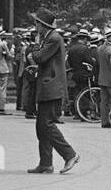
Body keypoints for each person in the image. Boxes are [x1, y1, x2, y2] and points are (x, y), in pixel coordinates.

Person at [26, 9, 80, 174]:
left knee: (47, 125)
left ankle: (69, 154)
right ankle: (46, 163)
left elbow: (39, 57)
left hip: (51, 86)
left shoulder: (53, 38)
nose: (35, 26)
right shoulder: (49, 37)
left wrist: (35, 47)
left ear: (43, 25)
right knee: (41, 127)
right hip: (47, 85)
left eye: (37, 23)